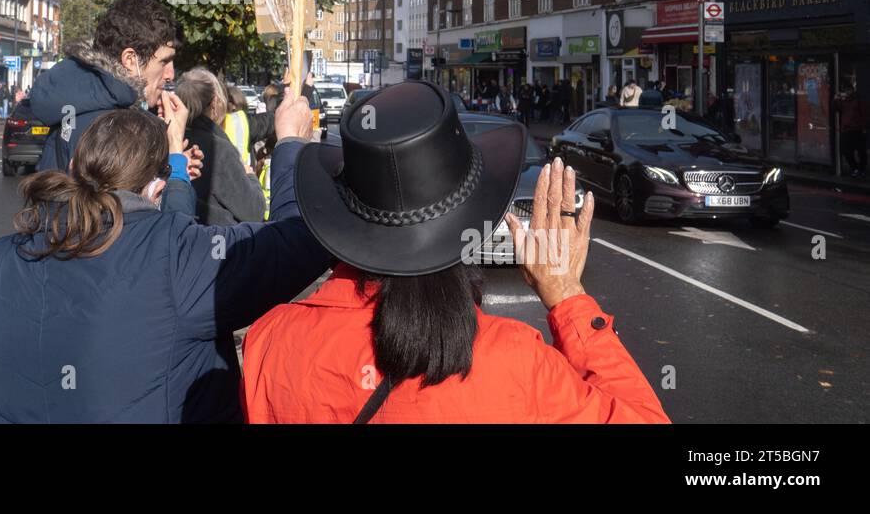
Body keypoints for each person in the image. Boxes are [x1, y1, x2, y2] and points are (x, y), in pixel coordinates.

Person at [240, 80, 670, 424]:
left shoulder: (270, 344)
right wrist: (566, 296)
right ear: (470, 214)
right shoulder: (517, 362)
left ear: (344, 214)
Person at [0, 90, 332, 423]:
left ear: (75, 164)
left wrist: (175, 174)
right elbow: (302, 239)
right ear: (155, 190)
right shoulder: (181, 262)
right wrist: (291, 143)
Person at [29, 0, 178, 173]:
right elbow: (124, 201)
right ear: (130, 60)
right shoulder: (108, 129)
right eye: (164, 62)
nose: (170, 74)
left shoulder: (88, 104)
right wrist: (176, 168)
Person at [175, 70, 267, 225]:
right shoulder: (218, 150)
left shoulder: (169, 141)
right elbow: (254, 211)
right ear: (215, 102)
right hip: (218, 244)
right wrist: (250, 176)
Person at [836, 81, 867, 177]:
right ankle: (855, 168)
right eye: (845, 90)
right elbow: (835, 108)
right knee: (846, 151)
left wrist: (863, 126)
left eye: (848, 90)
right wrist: (836, 99)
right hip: (846, 129)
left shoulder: (858, 99)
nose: (846, 92)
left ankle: (861, 169)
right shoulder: (843, 100)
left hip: (857, 129)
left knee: (861, 151)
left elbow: (864, 114)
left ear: (852, 90)